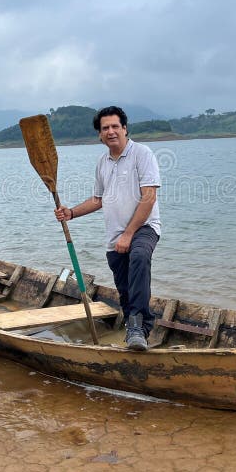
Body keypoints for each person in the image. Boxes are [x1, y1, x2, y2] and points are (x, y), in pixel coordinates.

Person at [54, 106, 161, 350]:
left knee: (139, 256)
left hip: (143, 227)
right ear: (99, 135)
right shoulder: (102, 162)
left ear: (125, 128)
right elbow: (97, 200)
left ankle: (139, 327)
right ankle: (134, 332)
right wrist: (70, 213)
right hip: (115, 236)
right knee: (124, 288)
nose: (111, 131)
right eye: (105, 128)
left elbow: (149, 197)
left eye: (115, 126)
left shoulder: (142, 154)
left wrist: (129, 233)